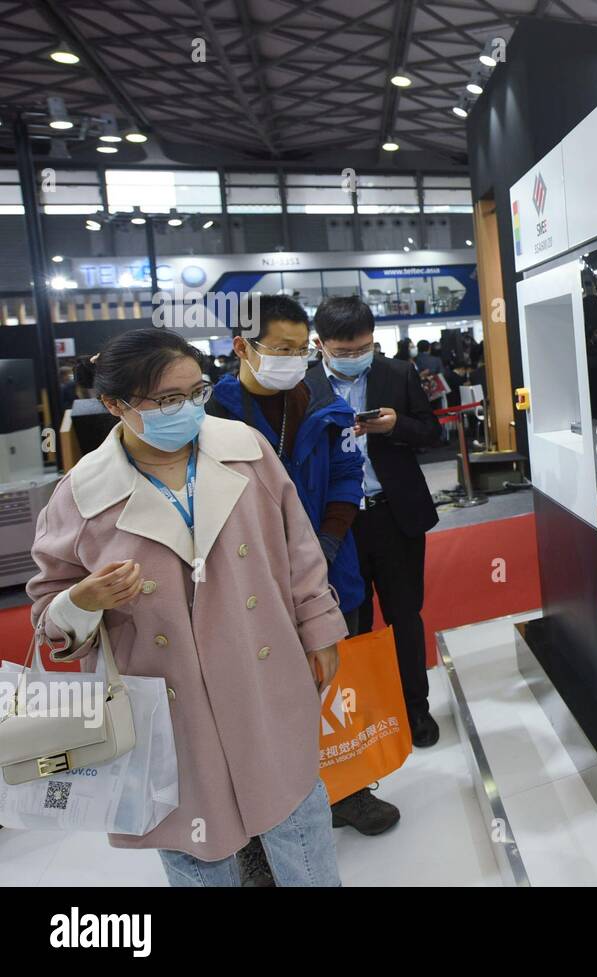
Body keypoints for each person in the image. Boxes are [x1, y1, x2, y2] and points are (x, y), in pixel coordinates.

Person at [27, 328, 347, 887]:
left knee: (296, 813)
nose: (189, 411)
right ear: (114, 405)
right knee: (194, 842)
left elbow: (299, 549)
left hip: (260, 669)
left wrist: (319, 627)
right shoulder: (80, 495)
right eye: (168, 401)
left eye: (197, 393)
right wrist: (83, 600)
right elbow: (47, 609)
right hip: (164, 702)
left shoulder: (246, 450)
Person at [207, 295, 401, 876]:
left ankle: (346, 789)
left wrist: (329, 541)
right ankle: (256, 835)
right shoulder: (212, 415)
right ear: (244, 347)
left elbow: (345, 473)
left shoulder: (322, 401)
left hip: (327, 570)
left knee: (335, 683)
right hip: (242, 583)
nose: (295, 360)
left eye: (300, 349)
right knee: (257, 704)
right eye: (282, 350)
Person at [309, 297, 441, 748]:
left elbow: (431, 432)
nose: (354, 358)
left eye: (362, 347)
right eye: (343, 351)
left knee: (406, 616)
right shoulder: (303, 386)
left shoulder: (396, 374)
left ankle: (415, 709)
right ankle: (362, 716)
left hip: (394, 513)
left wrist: (396, 425)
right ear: (320, 345)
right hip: (337, 526)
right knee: (351, 623)